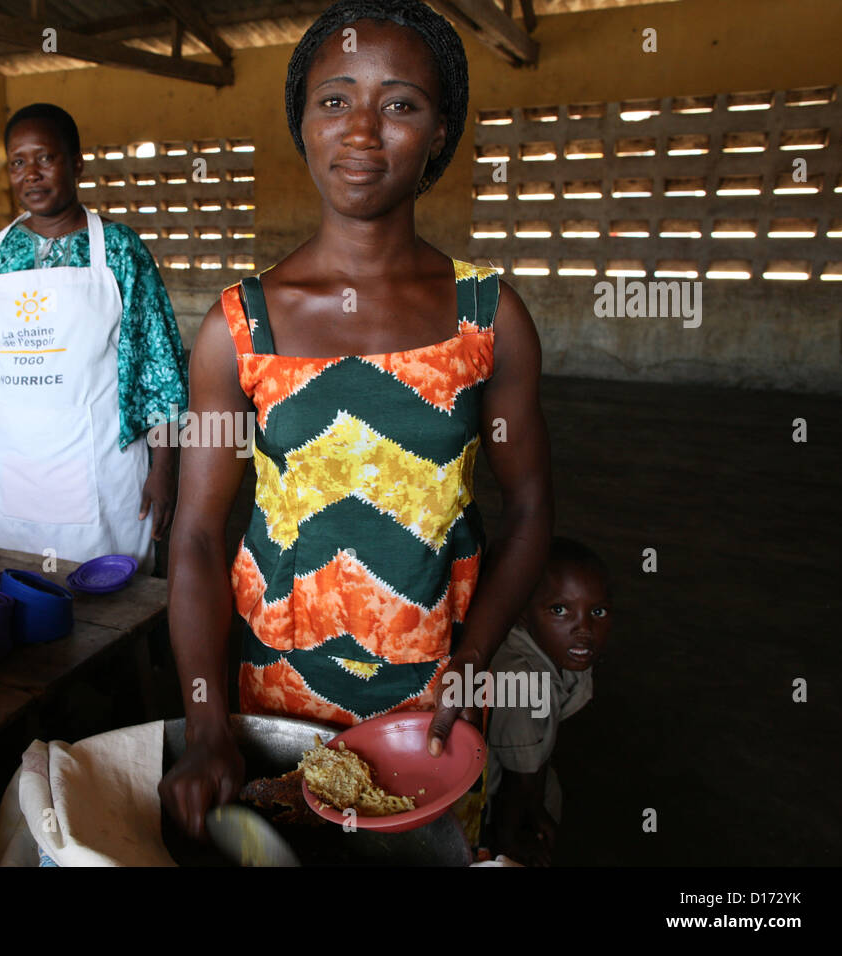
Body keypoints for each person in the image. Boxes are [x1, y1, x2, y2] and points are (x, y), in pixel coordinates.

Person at [159, 0, 554, 841]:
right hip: (273, 702)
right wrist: (205, 724)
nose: (363, 132)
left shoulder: (489, 318)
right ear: (301, 122)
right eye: (334, 100)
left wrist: (472, 665)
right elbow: (195, 534)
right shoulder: (238, 329)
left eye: (401, 103)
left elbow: (528, 513)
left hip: (435, 714)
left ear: (441, 132)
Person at [0, 104, 187, 573]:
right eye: (17, 162)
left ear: (76, 164)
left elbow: (160, 368)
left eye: (45, 158)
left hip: (101, 465)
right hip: (12, 465)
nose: (31, 174)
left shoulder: (119, 250)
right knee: (20, 586)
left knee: (109, 597)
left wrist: (163, 469)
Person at [486, 537, 613, 866]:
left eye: (597, 612)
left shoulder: (560, 650)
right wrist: (517, 833)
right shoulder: (525, 689)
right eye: (560, 610)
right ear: (523, 615)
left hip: (524, 769)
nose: (583, 629)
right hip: (497, 795)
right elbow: (515, 787)